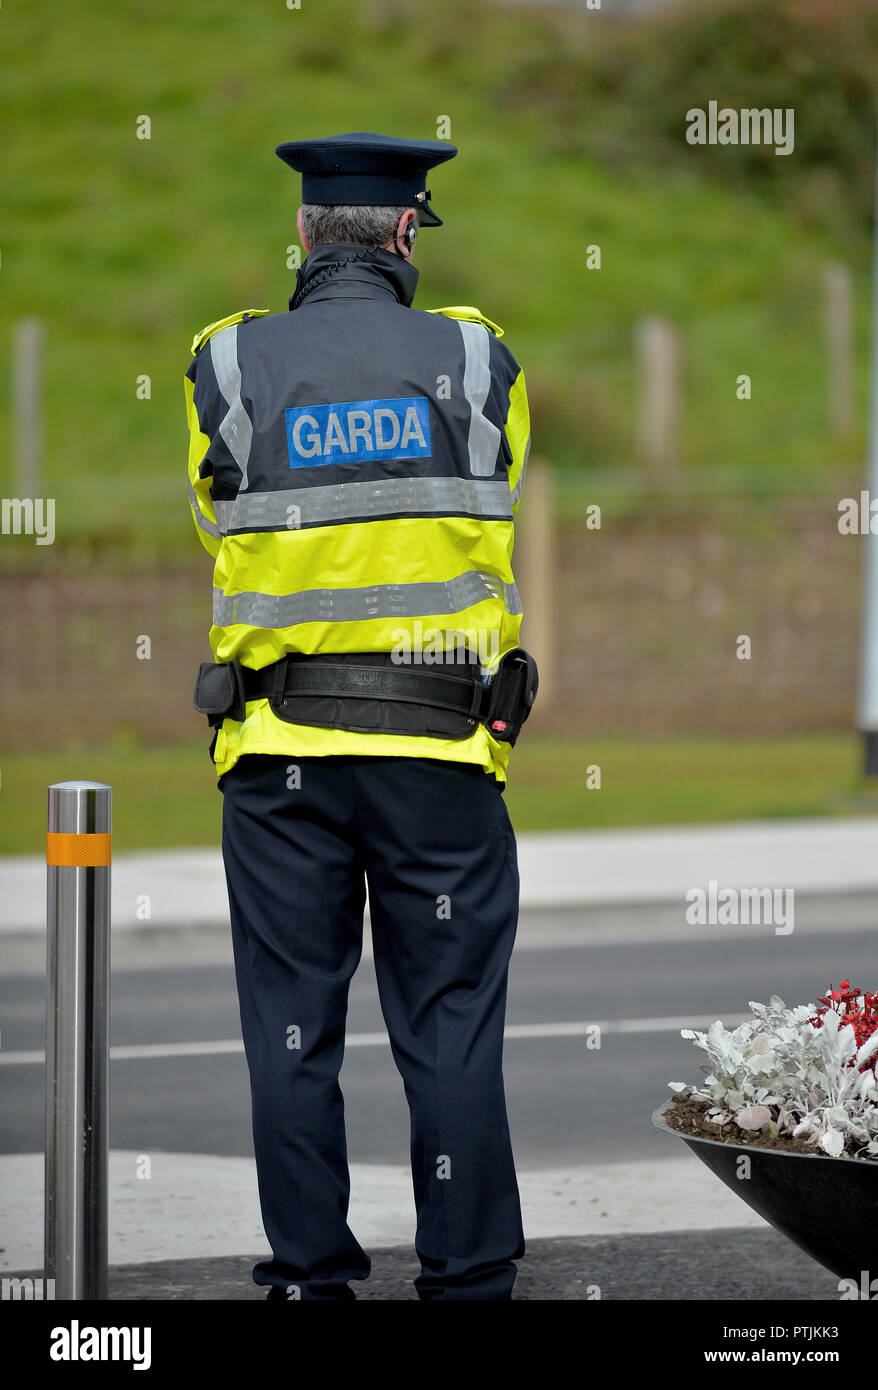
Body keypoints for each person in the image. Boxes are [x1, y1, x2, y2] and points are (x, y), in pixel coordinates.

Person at [184, 131, 537, 1301]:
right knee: (448, 1026)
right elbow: (498, 493)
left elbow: (216, 516)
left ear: (302, 236)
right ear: (403, 235)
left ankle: (309, 1276)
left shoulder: (228, 364)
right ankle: (469, 1275)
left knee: (292, 1030)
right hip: (439, 750)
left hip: (281, 756)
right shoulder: (479, 360)